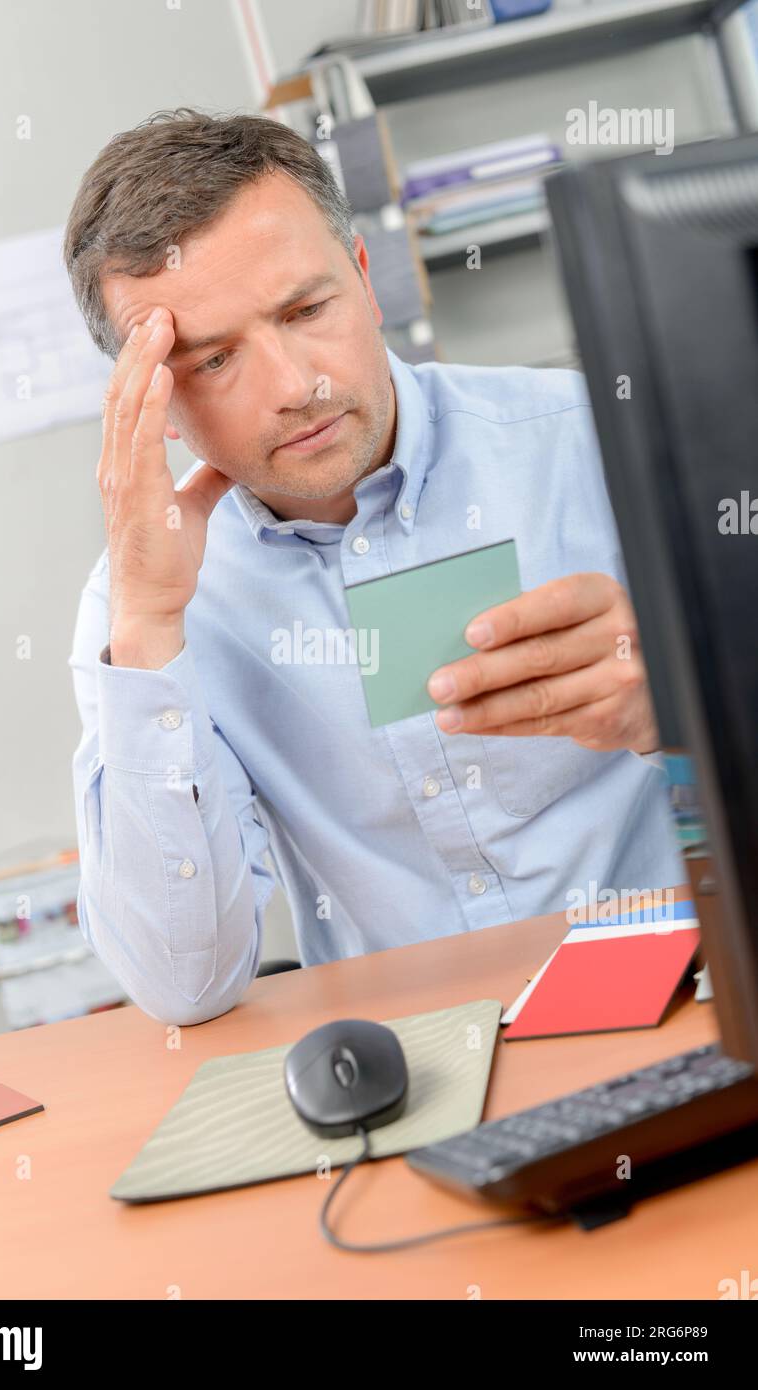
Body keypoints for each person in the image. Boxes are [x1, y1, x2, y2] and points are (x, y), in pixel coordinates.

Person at [63, 107, 685, 1026]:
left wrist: (682, 699)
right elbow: (182, 986)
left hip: (673, 999)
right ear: (148, 401)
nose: (292, 386)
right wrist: (152, 629)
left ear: (363, 278)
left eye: (307, 310)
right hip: (411, 1069)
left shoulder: (593, 440)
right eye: (216, 359)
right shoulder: (139, 607)